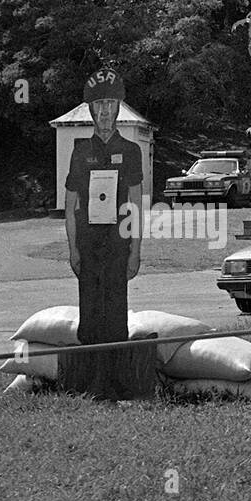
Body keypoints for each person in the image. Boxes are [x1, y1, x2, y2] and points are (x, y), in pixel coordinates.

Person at [60, 68, 149, 399]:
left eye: (111, 104)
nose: (105, 112)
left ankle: (115, 383)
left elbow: (137, 204)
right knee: (90, 314)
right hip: (88, 243)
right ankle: (89, 385)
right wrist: (73, 249)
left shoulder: (131, 151)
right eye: (99, 105)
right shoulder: (81, 151)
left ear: (119, 107)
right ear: (91, 110)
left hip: (118, 244)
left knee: (115, 314)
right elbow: (70, 206)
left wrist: (136, 250)